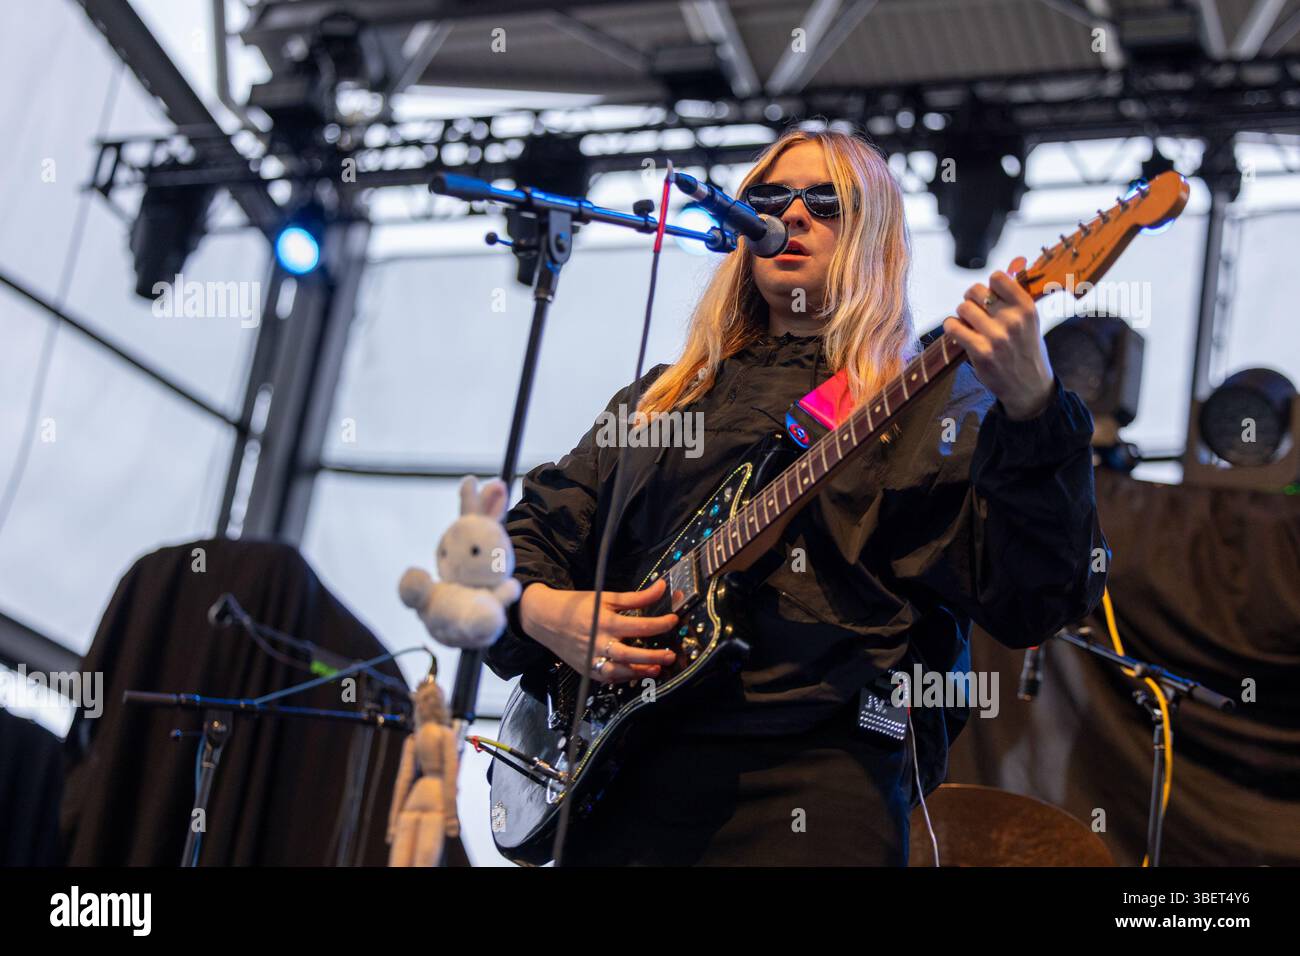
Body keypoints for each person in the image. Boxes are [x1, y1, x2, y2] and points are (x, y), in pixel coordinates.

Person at [485, 127, 1106, 865]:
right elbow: (526, 537)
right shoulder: (661, 398)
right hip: (623, 779)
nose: (794, 213)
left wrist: (1035, 411)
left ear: (876, 232)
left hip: (814, 787)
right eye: (770, 198)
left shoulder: (936, 401)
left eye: (826, 200)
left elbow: (1035, 598)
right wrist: (542, 609)